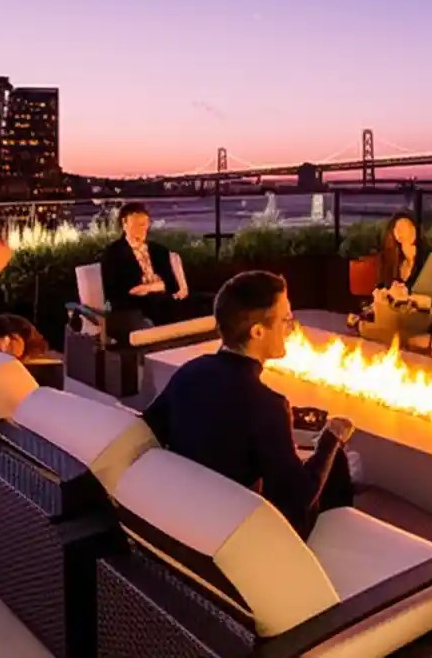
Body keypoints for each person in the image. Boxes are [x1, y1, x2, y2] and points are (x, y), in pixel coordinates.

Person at [142, 271, 356, 540]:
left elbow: (149, 427)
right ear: (257, 332)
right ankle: (339, 545)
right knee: (335, 459)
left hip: (188, 511)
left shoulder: (190, 372)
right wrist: (331, 437)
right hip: (234, 533)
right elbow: (297, 499)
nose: (290, 328)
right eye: (285, 320)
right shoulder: (267, 405)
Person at [349, 212, 432, 343]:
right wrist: (388, 294)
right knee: (379, 313)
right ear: (395, 235)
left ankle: (367, 327)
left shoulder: (429, 258)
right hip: (396, 309)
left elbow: (431, 297)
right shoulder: (391, 261)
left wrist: (406, 297)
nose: (407, 231)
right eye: (401, 228)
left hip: (419, 309)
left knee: (400, 320)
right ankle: (369, 324)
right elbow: (381, 289)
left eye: (410, 226)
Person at [100, 202, 191, 342]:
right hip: (131, 310)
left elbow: (172, 283)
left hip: (163, 304)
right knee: (151, 324)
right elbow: (123, 290)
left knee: (195, 310)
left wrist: (149, 287)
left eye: (145, 224)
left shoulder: (158, 251)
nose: (142, 229)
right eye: (137, 224)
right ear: (124, 223)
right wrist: (158, 286)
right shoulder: (114, 254)